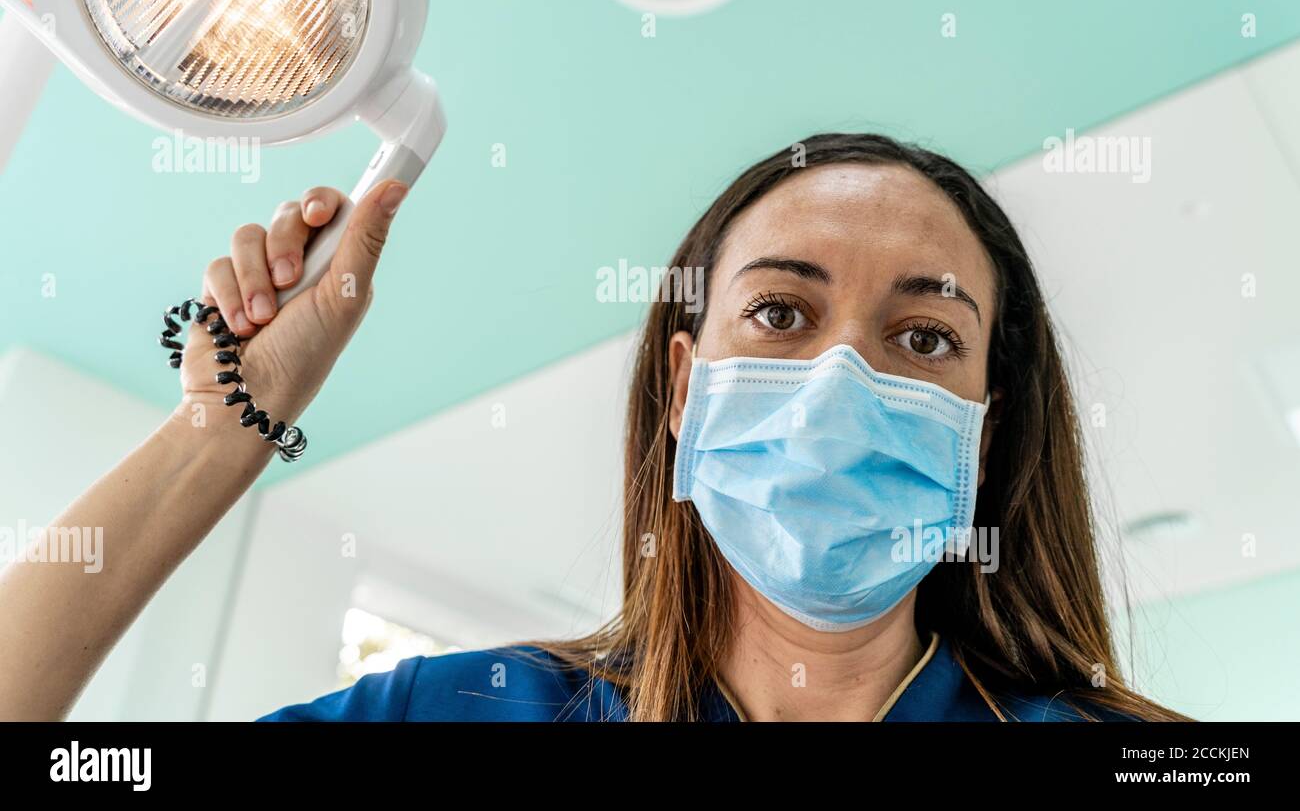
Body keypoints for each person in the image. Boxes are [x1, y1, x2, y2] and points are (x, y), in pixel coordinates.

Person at [0, 133, 1185, 721]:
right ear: (683, 387)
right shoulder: (462, 710)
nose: (837, 384)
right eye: (779, 310)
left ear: (986, 420)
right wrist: (218, 432)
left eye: (922, 337)